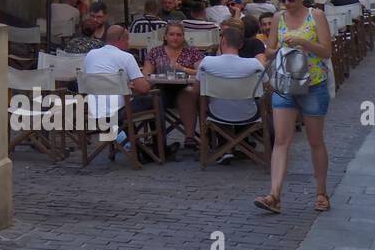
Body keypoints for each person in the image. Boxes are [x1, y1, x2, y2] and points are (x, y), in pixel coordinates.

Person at [255, 0, 334, 215]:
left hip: (313, 83)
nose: (287, 3)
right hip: (286, 83)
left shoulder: (316, 16)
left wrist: (302, 42)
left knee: (315, 140)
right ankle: (274, 195)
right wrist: (277, 49)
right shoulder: (278, 17)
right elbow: (268, 50)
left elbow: (326, 51)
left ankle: (321, 192)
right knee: (281, 140)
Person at [82, 26, 178, 159]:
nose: (129, 43)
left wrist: (123, 84)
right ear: (120, 39)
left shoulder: (90, 55)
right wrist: (148, 81)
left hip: (94, 110)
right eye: (127, 39)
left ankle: (140, 149)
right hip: (118, 113)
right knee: (154, 99)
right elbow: (144, 88)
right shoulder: (126, 57)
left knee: (128, 102)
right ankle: (159, 149)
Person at [197, 25, 267, 157]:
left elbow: (197, 89)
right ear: (240, 45)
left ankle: (225, 148)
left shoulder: (207, 62)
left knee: (210, 101)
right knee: (261, 101)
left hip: (216, 113)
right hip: (249, 113)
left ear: (222, 42)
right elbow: (267, 86)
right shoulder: (254, 65)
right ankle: (244, 146)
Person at [142, 21, 205, 151]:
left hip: (185, 88)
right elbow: (146, 74)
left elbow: (202, 71)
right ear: (165, 36)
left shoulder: (192, 52)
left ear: (183, 36)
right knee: (153, 98)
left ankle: (189, 138)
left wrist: (183, 69)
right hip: (161, 89)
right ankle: (159, 142)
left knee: (187, 93)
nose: (175, 38)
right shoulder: (155, 52)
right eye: (171, 34)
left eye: (178, 35)